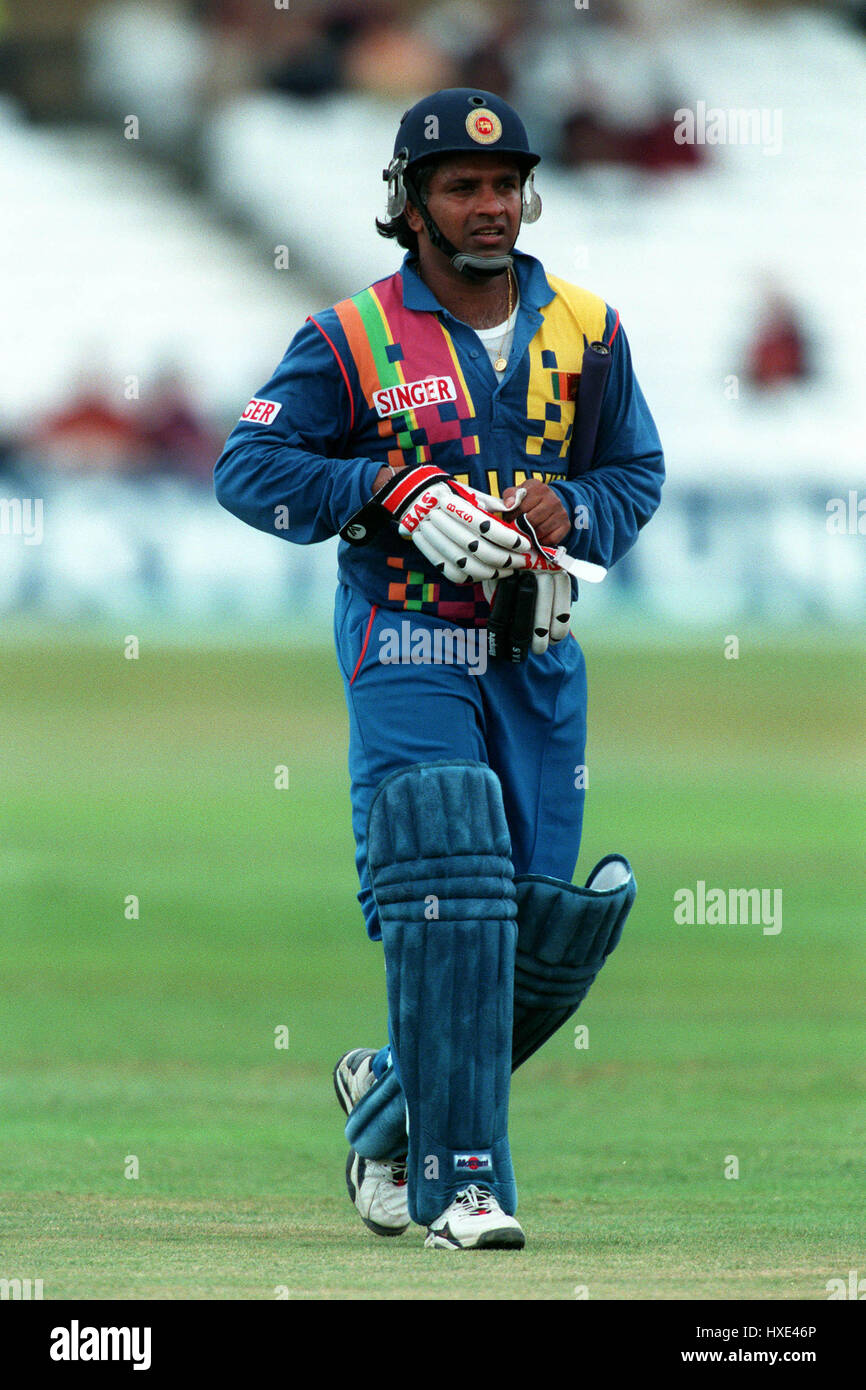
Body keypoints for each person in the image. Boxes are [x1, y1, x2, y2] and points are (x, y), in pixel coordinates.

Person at [214, 88, 664, 1251]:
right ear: (408, 203)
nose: (487, 206)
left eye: (503, 185)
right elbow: (250, 467)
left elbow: (637, 474)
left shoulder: (588, 328)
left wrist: (572, 505)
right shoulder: (350, 338)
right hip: (406, 641)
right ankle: (460, 1188)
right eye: (460, 187)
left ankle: (382, 1093)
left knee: (525, 932)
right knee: (449, 898)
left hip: (538, 655)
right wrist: (386, 485)